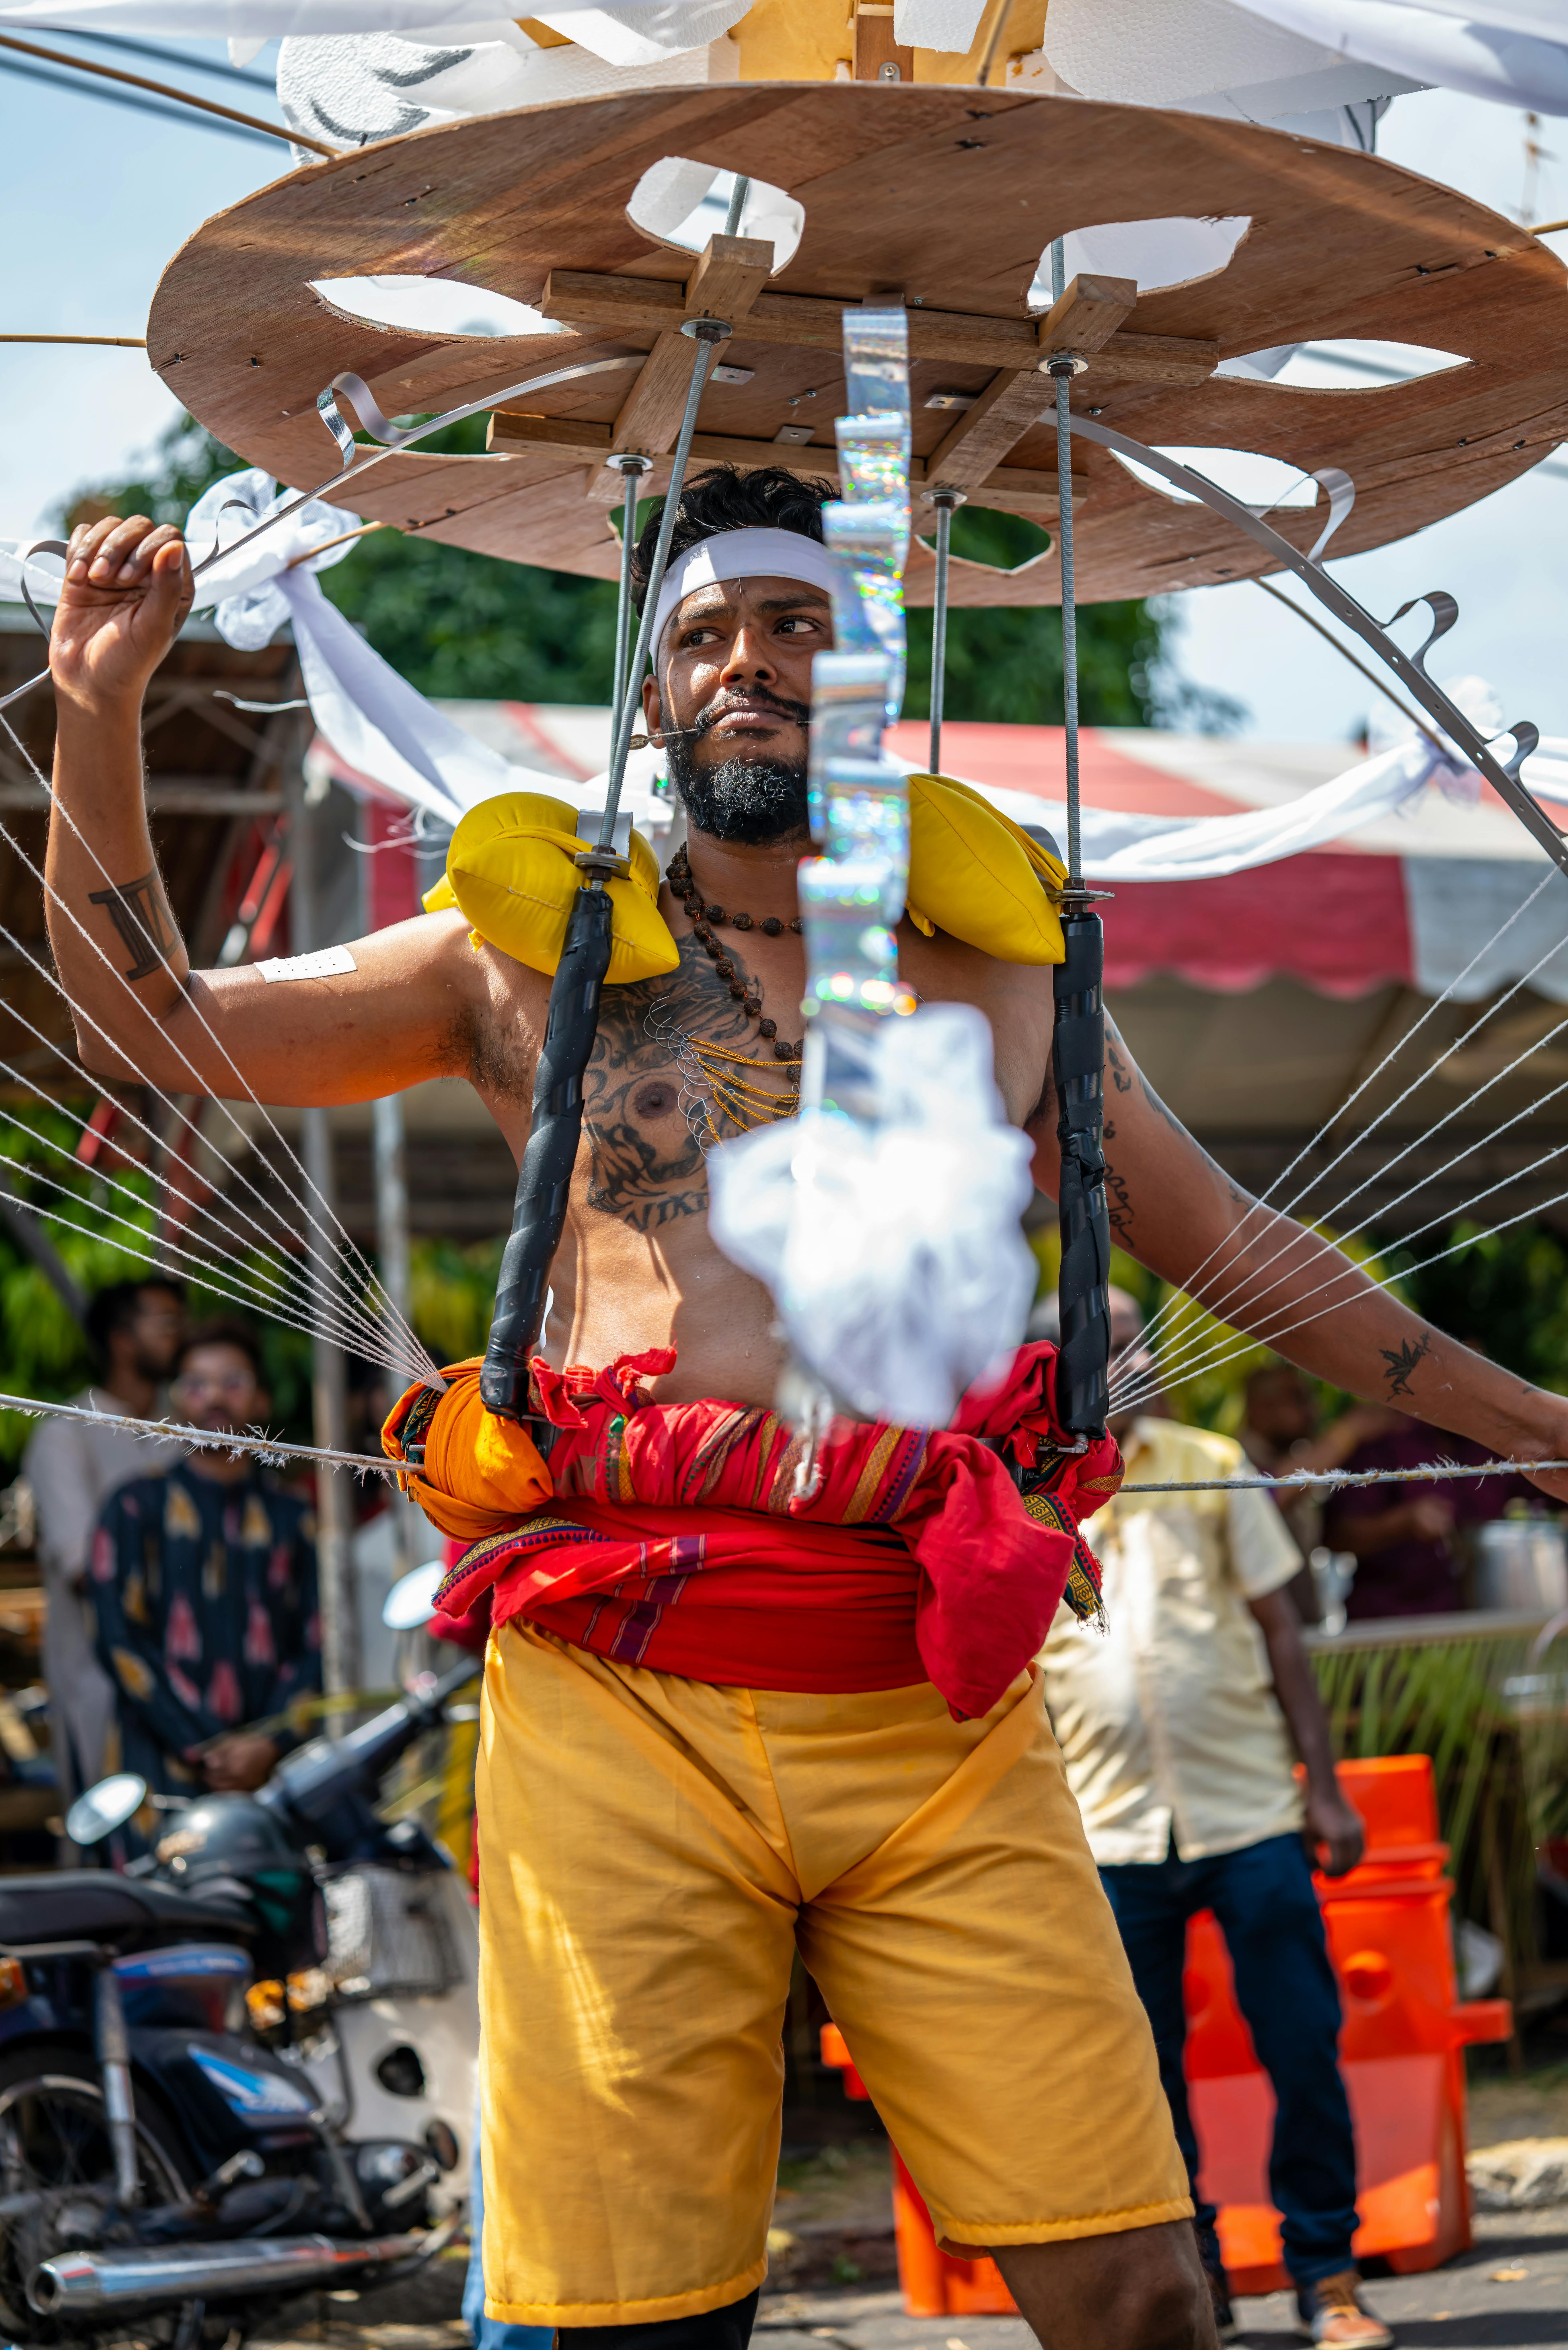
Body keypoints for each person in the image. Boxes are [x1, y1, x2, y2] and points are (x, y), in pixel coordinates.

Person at [45, 469, 1568, 2350]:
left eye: (793, 627)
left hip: (928, 1695)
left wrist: (1541, 1416)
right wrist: (102, 707)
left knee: (1143, 2290)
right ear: (654, 691)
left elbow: (1238, 1249)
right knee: (641, 2326)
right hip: (619, 1697)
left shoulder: (1003, 977)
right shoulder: (521, 958)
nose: (745, 663)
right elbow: (153, 1019)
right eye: (701, 635)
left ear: (869, 685)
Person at [1042, 1290, 1390, 2349]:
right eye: (1094, 1341)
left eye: (1132, 1335)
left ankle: (1327, 2268)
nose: (1120, 1357)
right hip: (1106, 1832)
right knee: (1143, 2077)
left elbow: (1282, 1628)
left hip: (1251, 1813)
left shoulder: (1208, 1458)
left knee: (1302, 2042)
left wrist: (1323, 1788)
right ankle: (1197, 2277)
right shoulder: (1034, 1490)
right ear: (1054, 1361)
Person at [91, 1319, 321, 1798]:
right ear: (174, 1403)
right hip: (159, 1762)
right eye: (196, 1384)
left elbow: (320, 1640)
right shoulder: (135, 1506)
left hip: (270, 1769)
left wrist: (267, 1743)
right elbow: (118, 1639)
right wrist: (204, 1747)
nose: (215, 1397)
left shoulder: (294, 1515)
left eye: (233, 1382)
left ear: (262, 1400)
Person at [22, 1277, 185, 1816]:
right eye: (164, 1323)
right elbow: (84, 1566)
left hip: (194, 1680)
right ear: (121, 1340)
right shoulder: (66, 1434)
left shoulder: (186, 1434)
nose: (178, 1335)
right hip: (103, 1685)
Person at [1322, 1412, 1522, 1618]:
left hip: (1478, 1619)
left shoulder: (1492, 1441)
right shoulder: (1384, 1436)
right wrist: (1403, 1522)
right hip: (1388, 1621)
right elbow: (1337, 1537)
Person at [1238, 1363, 1393, 1616]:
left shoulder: (1294, 1456)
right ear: (1261, 1408)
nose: (1313, 1410)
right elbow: (1270, 1494)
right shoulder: (1235, 1459)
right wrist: (1349, 1431)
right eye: (1297, 1399)